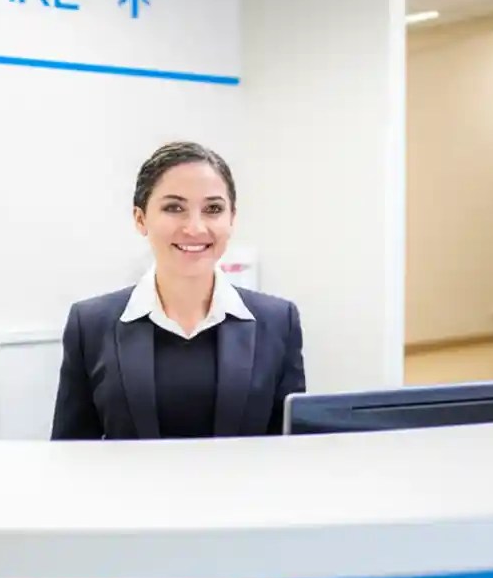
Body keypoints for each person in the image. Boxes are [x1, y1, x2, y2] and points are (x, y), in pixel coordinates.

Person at [50, 141, 306, 440]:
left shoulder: (278, 322)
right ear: (140, 218)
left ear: (232, 219)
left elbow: (291, 454)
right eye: (174, 208)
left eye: (213, 209)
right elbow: (71, 454)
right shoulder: (91, 324)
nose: (195, 228)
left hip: (241, 488)